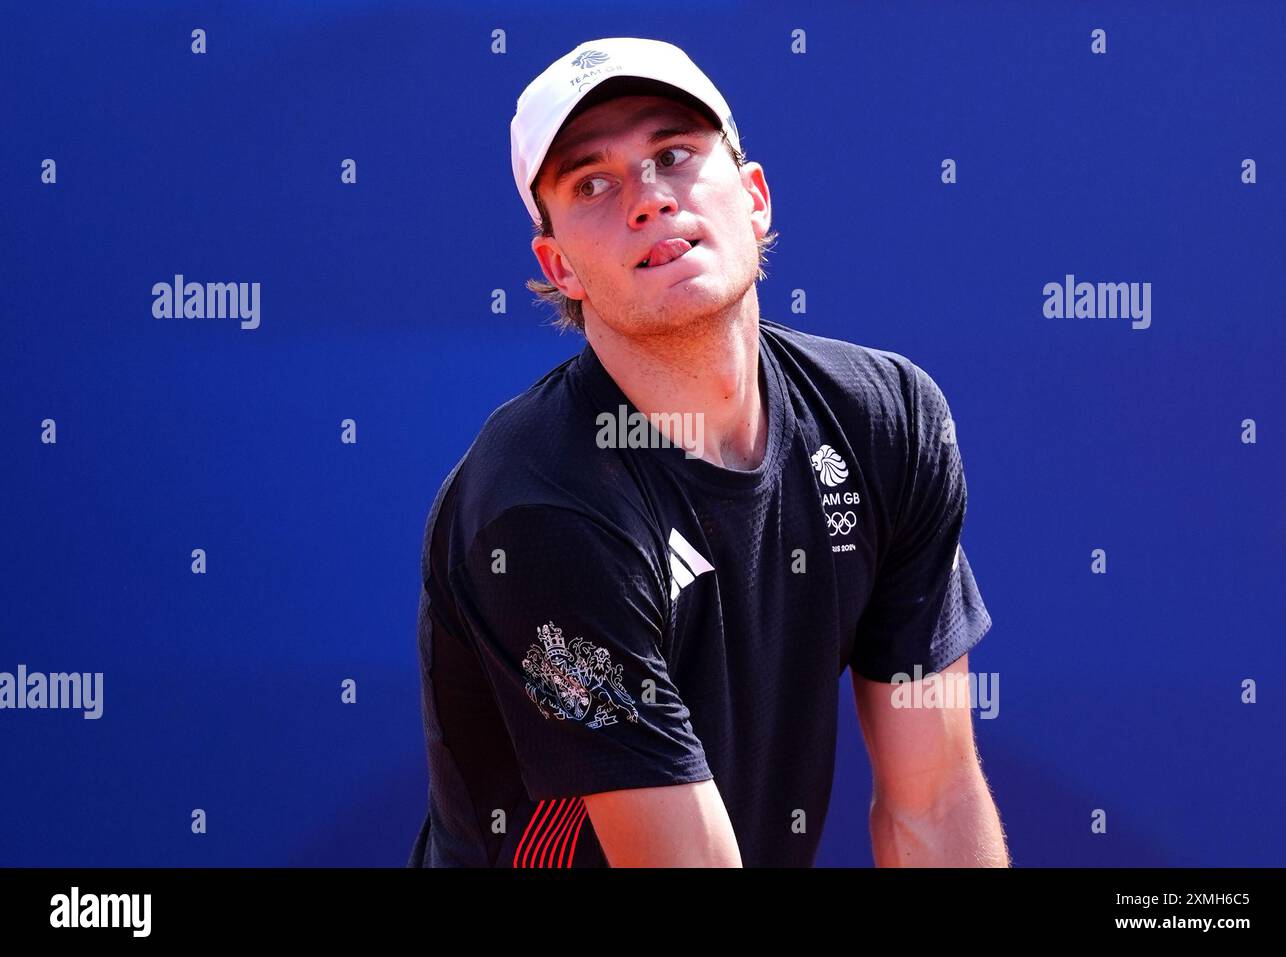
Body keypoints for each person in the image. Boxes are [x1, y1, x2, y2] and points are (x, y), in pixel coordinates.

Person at [408, 37, 1008, 867]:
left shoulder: (884, 420)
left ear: (754, 197)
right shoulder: (540, 507)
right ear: (560, 266)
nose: (647, 199)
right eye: (593, 183)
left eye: (674, 154)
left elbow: (934, 802)